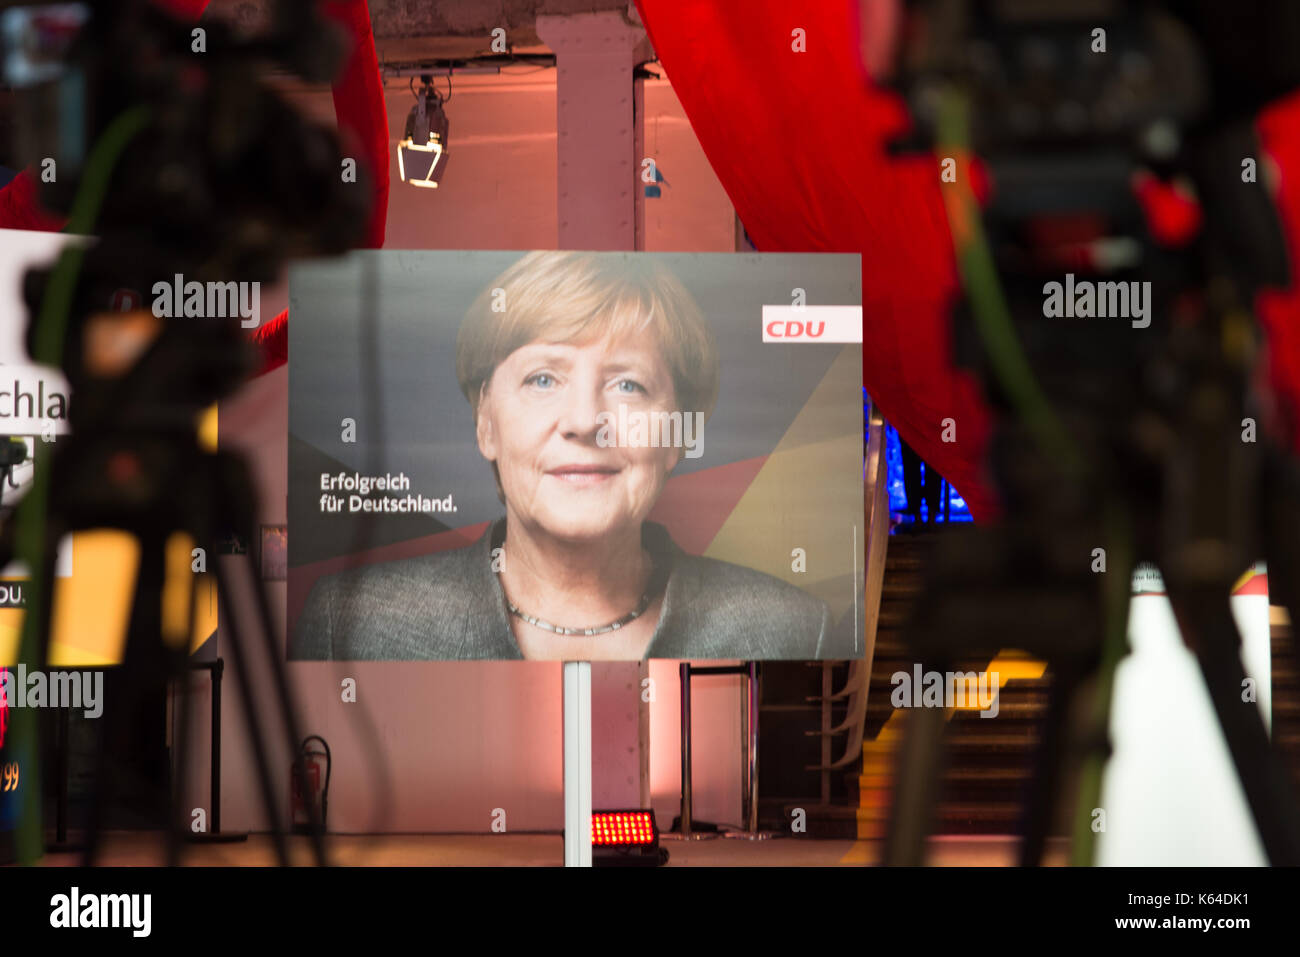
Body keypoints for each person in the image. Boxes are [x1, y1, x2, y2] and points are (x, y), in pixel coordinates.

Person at [292, 251, 830, 660]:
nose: (581, 421)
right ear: (486, 424)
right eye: (543, 378)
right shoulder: (351, 625)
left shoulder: (793, 629)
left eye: (629, 386)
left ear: (678, 434)